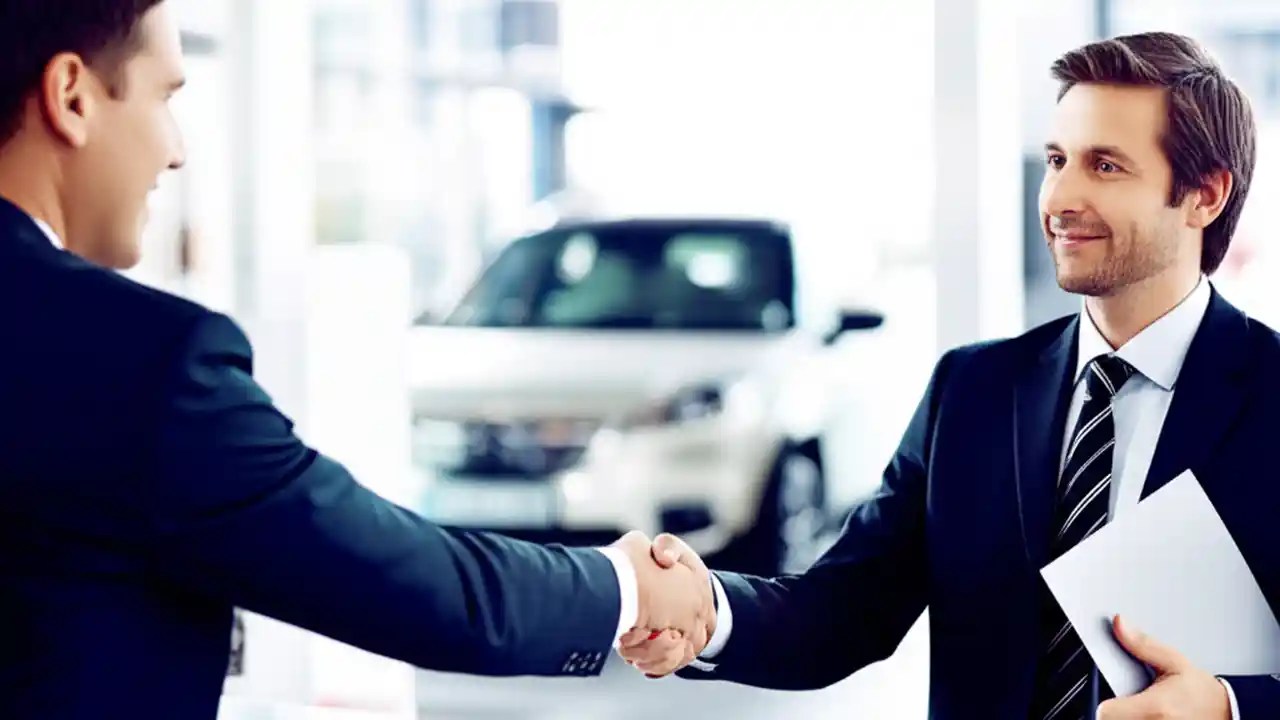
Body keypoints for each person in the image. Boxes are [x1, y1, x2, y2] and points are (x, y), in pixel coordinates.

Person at [0, 2, 712, 718]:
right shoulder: (140, 363)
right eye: (165, 97)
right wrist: (626, 587)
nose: (177, 149)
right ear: (72, 97)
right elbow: (413, 584)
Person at [620, 31, 1280, 720]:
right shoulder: (974, 391)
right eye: (1057, 160)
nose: (1059, 197)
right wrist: (707, 613)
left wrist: (1231, 707)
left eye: (1106, 166)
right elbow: (847, 610)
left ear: (1204, 195)